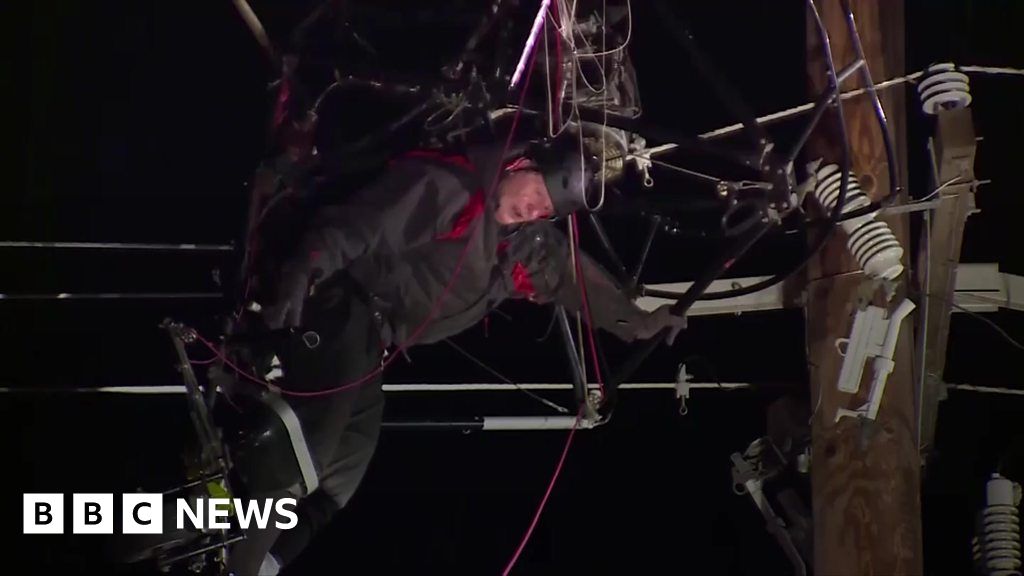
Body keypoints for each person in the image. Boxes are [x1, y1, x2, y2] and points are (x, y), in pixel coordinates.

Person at [225, 133, 686, 575]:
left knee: (343, 472)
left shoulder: (522, 245)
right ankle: (233, 561)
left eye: (545, 209)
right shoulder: (455, 187)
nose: (533, 209)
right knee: (309, 445)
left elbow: (572, 279)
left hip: (373, 337)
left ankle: (218, 541)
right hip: (340, 301)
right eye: (536, 194)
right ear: (521, 165)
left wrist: (639, 322)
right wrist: (305, 267)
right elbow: (361, 224)